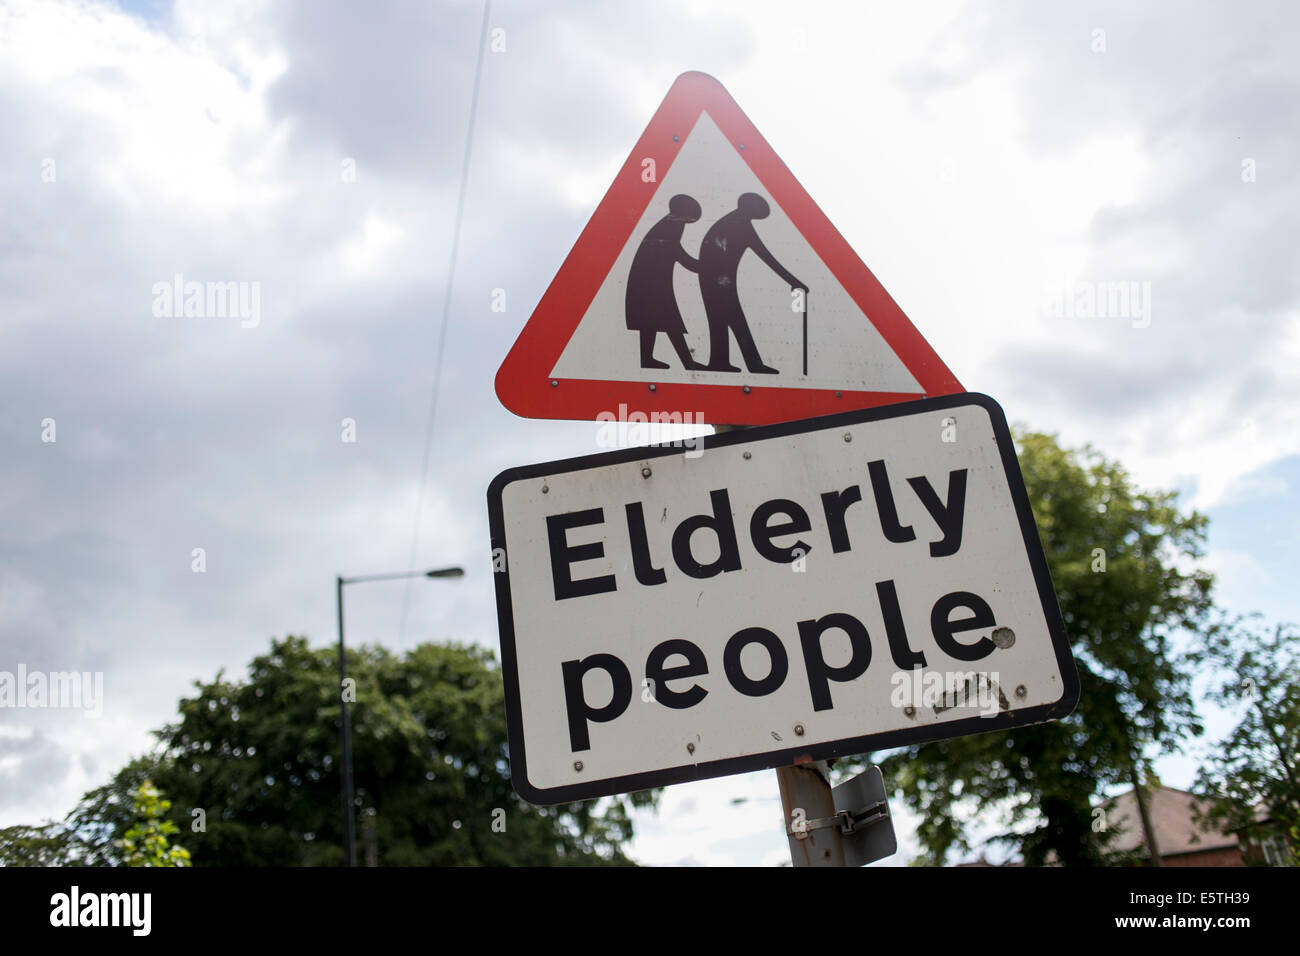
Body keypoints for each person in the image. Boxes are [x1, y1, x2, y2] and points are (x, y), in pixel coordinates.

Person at [697, 192, 806, 373]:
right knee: (734, 320)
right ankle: (750, 364)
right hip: (719, 282)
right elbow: (766, 256)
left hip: (716, 280)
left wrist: (794, 282)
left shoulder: (735, 221)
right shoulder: (740, 224)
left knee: (721, 320)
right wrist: (793, 281)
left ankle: (720, 361)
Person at [625, 194, 707, 370]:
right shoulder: (672, 225)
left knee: (650, 321)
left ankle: (648, 359)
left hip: (650, 280)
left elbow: (674, 251)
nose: (689, 222)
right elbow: (677, 252)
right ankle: (687, 363)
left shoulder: (671, 222)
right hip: (652, 282)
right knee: (669, 320)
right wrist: (703, 267)